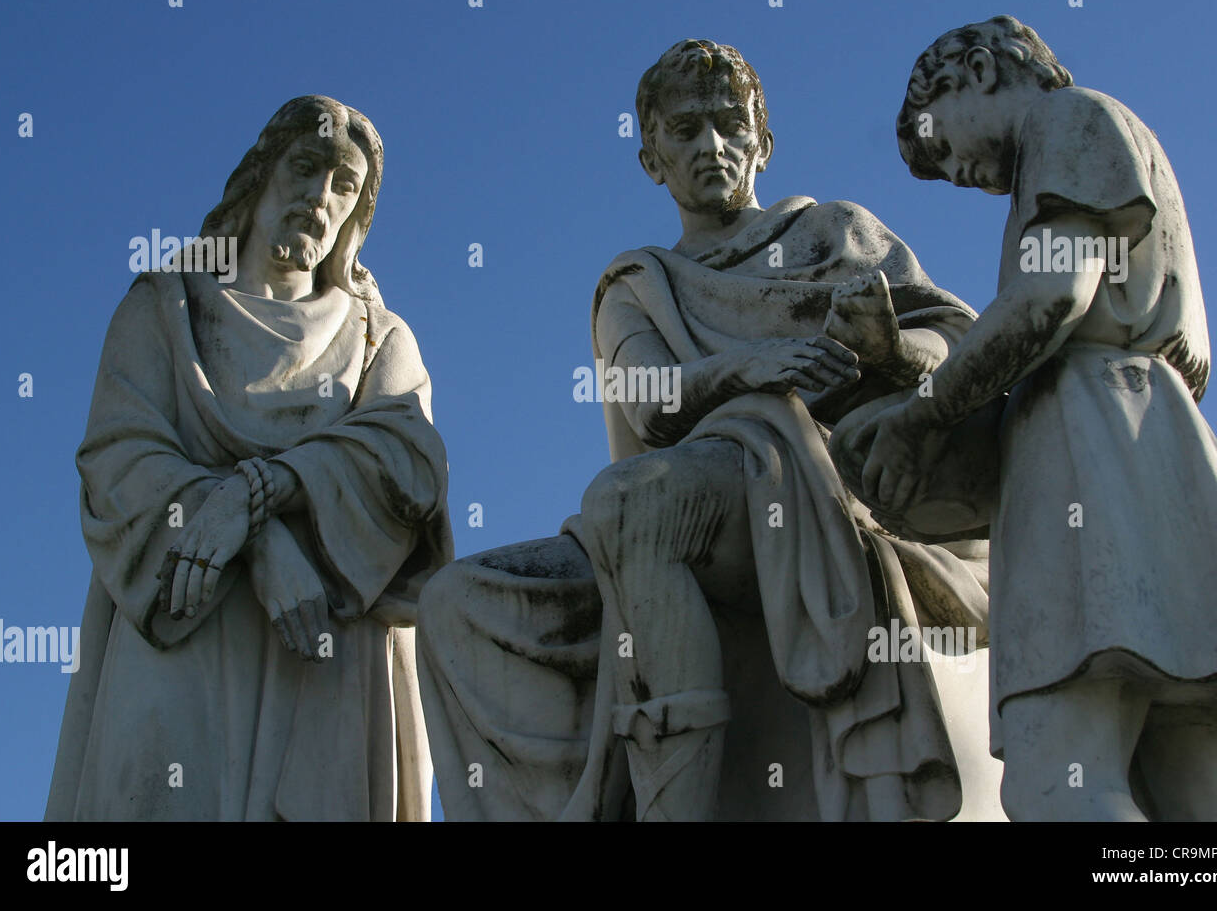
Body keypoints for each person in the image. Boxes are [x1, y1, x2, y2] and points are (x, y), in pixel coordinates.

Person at [417, 41, 1000, 821]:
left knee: (635, 503)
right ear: (651, 158)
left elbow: (956, 350)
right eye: (685, 131)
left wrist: (889, 348)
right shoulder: (638, 282)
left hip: (827, 488)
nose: (711, 146)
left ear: (763, 142)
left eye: (730, 124)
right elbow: (653, 401)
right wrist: (754, 366)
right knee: (455, 602)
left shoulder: (835, 232)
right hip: (704, 499)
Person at [851, 15, 1217, 820]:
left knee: (1057, 773)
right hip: (1158, 447)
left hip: (1090, 450)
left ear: (977, 71)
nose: (960, 175)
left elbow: (1050, 297)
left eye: (943, 147)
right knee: (1209, 781)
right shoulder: (1103, 141)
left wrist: (922, 417)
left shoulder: (1069, 119)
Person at [45, 96, 453, 821]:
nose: (319, 198)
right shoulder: (165, 310)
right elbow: (118, 460)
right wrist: (256, 536)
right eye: (305, 169)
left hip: (331, 643)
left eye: (344, 186)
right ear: (261, 176)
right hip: (183, 616)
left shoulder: (380, 339)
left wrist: (264, 489)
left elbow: (409, 464)